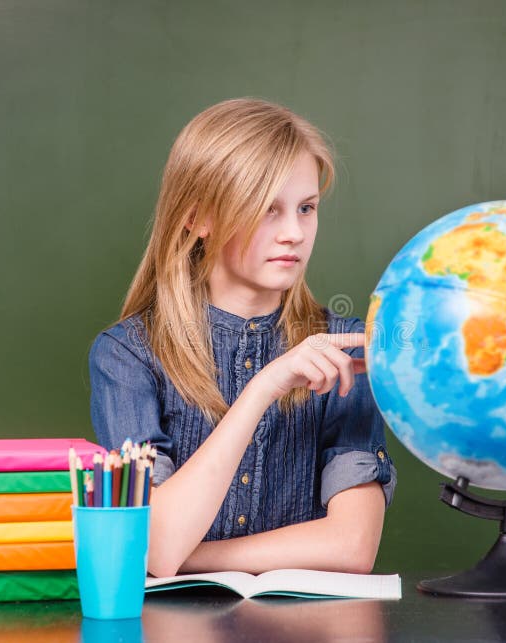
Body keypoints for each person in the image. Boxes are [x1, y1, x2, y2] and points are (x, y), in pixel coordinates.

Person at [88, 97, 397, 578]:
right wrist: (262, 389)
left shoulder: (344, 350)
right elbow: (160, 543)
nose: (294, 232)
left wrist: (192, 560)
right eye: (267, 208)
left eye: (307, 207)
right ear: (198, 218)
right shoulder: (127, 356)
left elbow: (352, 546)